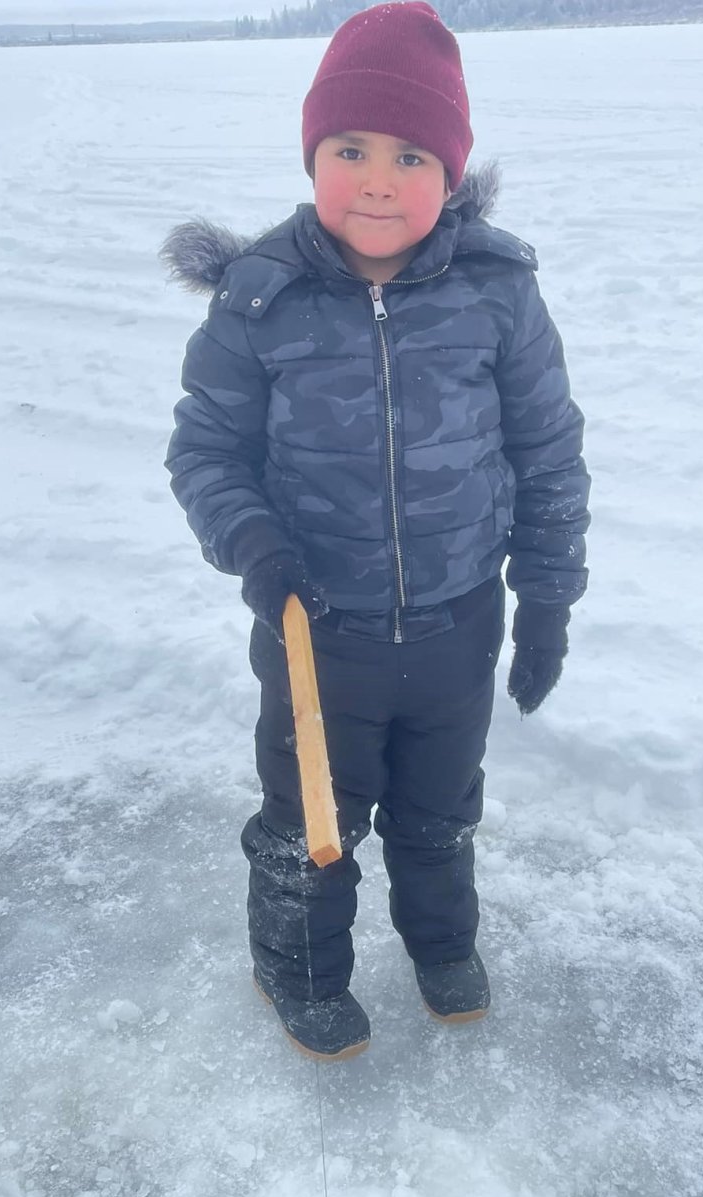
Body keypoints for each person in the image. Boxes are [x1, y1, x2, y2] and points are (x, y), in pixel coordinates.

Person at [162, 1, 589, 1061]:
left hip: (456, 623)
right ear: (315, 156)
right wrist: (257, 551)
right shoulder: (261, 302)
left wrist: (545, 599)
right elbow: (205, 453)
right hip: (318, 634)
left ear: (451, 172)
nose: (379, 179)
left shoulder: (497, 295)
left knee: (442, 811)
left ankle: (444, 945)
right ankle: (297, 972)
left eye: (410, 154)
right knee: (314, 825)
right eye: (350, 149)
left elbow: (548, 450)